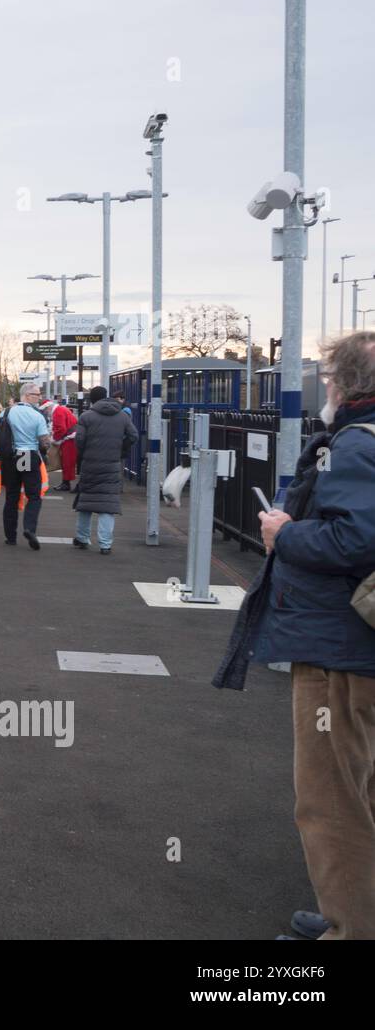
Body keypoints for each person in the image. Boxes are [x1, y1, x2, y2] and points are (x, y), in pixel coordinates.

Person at [214, 330, 375, 940]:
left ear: (346, 384)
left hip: (344, 651)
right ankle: (358, 914)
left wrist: (286, 532)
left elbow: (354, 539)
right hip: (359, 650)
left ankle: (350, 930)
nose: (326, 388)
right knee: (365, 790)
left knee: (333, 801)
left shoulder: (356, 446)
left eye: (330, 378)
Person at [71, 386, 137, 555]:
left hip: (90, 465)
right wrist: (121, 450)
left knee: (85, 503)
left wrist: (86, 452)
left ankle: (82, 538)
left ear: (91, 400)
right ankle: (105, 544)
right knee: (107, 505)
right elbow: (133, 436)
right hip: (112, 465)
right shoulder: (122, 416)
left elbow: (79, 440)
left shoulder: (86, 416)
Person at [0, 382, 51, 549]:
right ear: (27, 395)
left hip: (10, 458)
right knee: (33, 496)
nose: (39, 397)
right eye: (36, 394)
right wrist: (46, 446)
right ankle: (29, 528)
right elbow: (45, 442)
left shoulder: (6, 412)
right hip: (27, 456)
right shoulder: (37, 416)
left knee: (12, 497)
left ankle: (10, 537)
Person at [51, 398, 79, 492]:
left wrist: (55, 438)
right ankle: (66, 482)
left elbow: (61, 428)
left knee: (67, 461)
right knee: (68, 461)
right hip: (71, 437)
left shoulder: (57, 412)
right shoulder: (61, 410)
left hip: (69, 439)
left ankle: (66, 483)